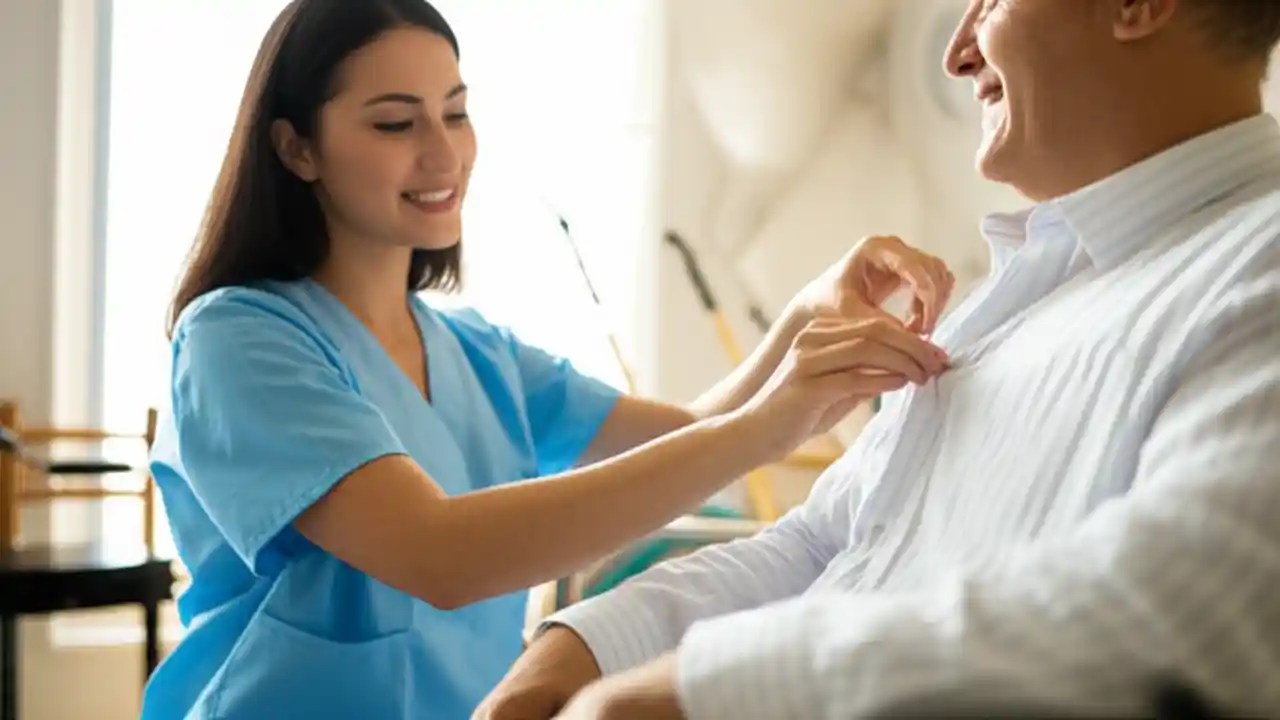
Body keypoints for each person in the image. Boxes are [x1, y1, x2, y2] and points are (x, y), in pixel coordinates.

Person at [138, 0, 956, 718]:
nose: (444, 153)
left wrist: (806, 314)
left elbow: (692, 432)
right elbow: (440, 554)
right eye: (396, 122)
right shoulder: (237, 340)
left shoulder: (477, 353)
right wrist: (773, 425)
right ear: (296, 149)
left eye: (455, 113)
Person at [478, 0, 1280, 718]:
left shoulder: (1257, 267)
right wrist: (582, 648)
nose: (957, 52)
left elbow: (1188, 610)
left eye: (991, 0)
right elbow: (828, 543)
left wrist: (704, 690)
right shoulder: (1008, 302)